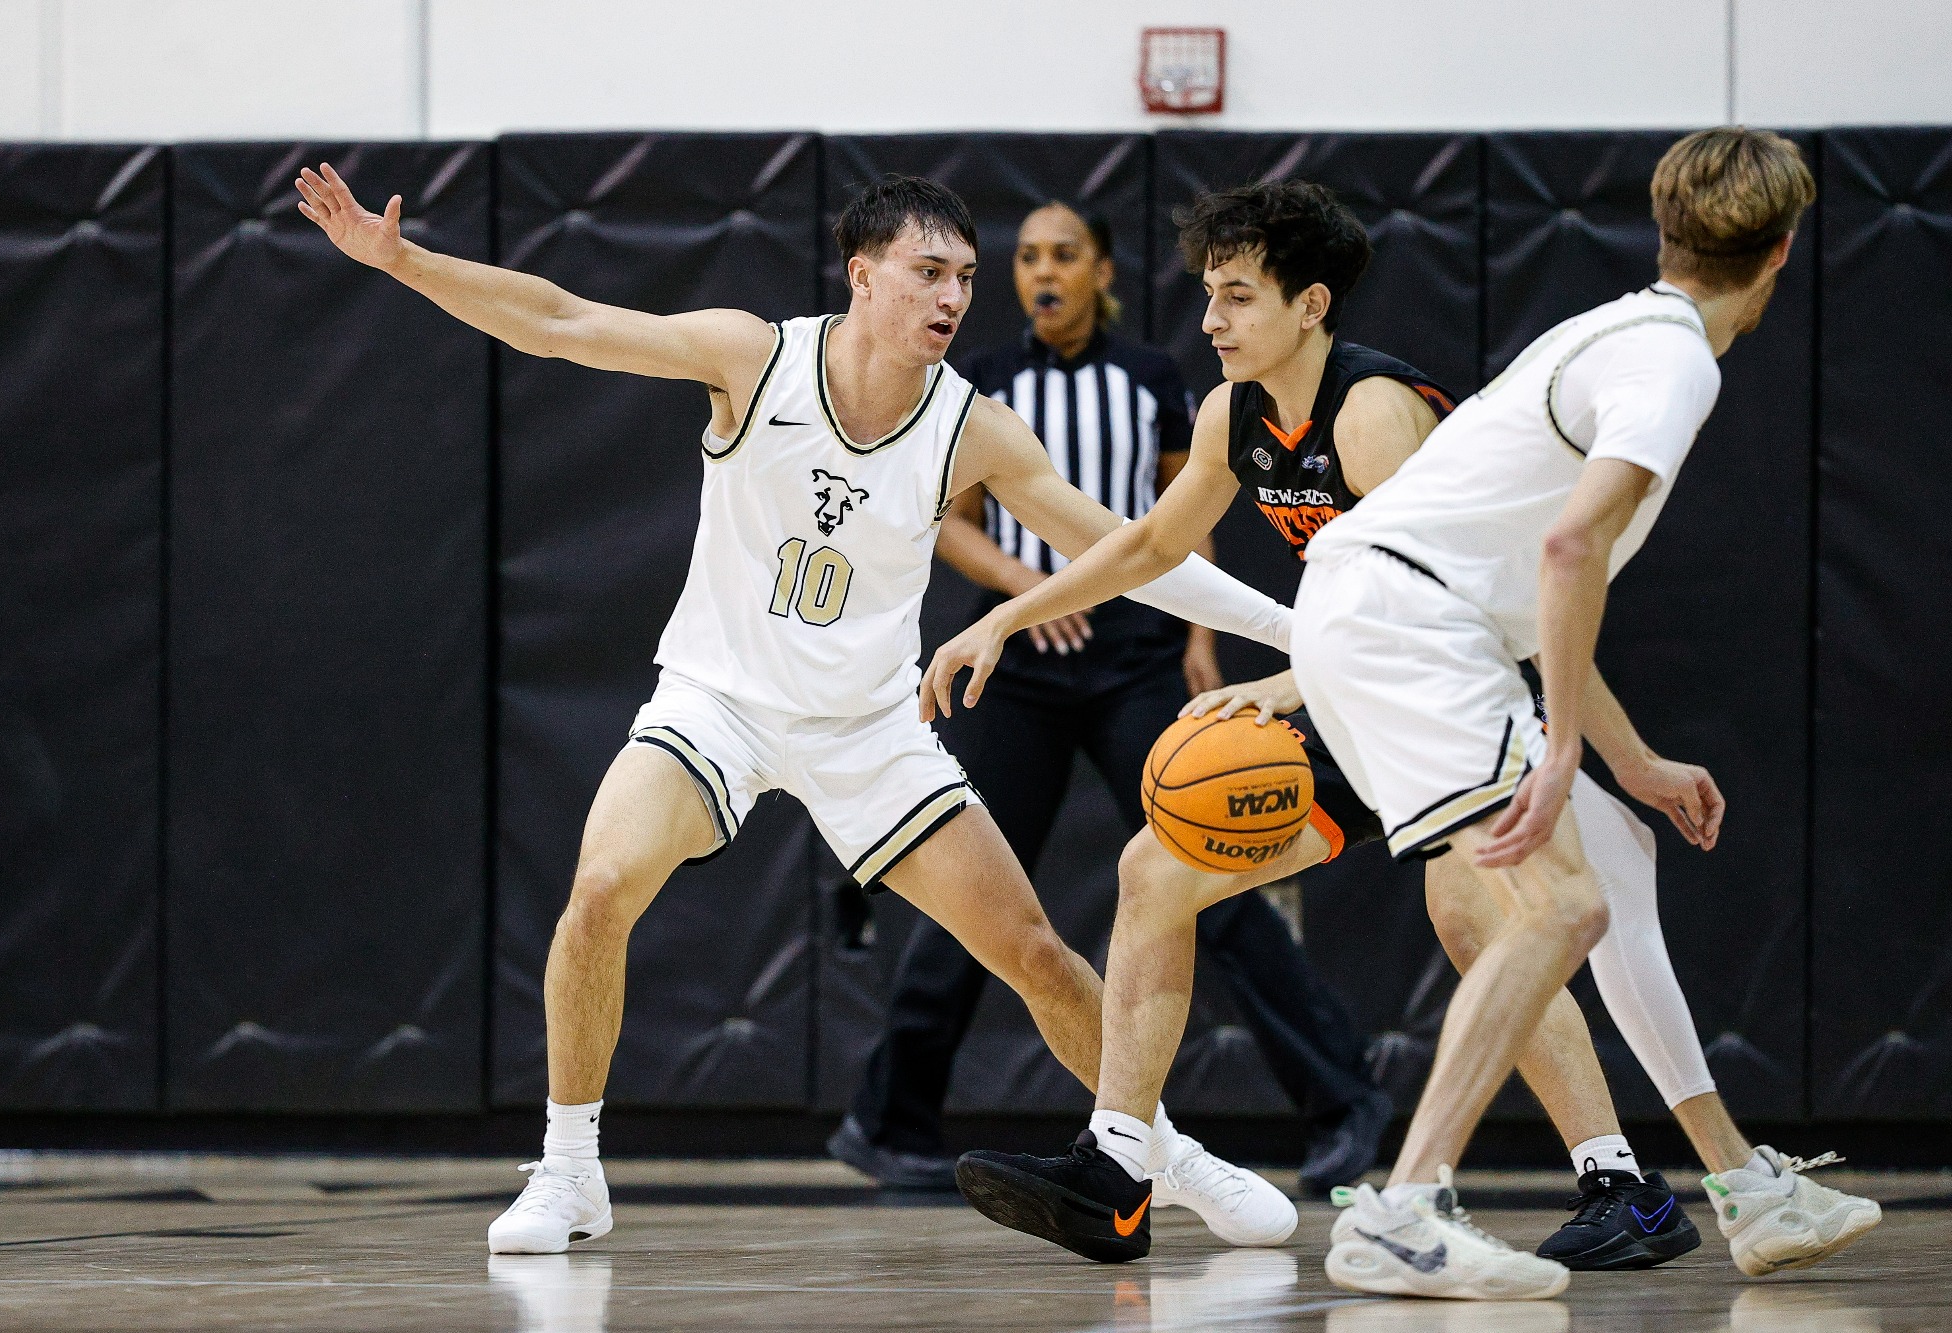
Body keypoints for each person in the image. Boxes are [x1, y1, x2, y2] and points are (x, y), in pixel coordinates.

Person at [926, 138, 1877, 1298]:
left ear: (1308, 303)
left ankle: (1614, 1183)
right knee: (1173, 874)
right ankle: (1136, 1165)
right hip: (1382, 669)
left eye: (1237, 295)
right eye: (1207, 294)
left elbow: (1473, 594)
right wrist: (1009, 614)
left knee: (1538, 904)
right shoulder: (1237, 415)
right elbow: (1151, 545)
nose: (1212, 321)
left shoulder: (1373, 412)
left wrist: (1583, 743)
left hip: (1405, 670)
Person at [295, 165, 1302, 1255]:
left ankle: (1160, 1153)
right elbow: (558, 320)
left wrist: (1298, 633)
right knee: (597, 891)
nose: (951, 296)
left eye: (963, 276)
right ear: (861, 276)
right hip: (716, 703)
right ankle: (571, 1169)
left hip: (868, 730)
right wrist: (402, 260)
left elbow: (1125, 550)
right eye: (927, 272)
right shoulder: (752, 354)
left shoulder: (976, 429)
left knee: (1035, 954)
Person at [828, 201, 1391, 1199]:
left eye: (1063, 256)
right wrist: (1013, 598)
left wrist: (1201, 641)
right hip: (1028, 662)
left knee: (1206, 856)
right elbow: (951, 522)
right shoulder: (980, 383)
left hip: (1133, 654)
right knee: (966, 884)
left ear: (1099, 270)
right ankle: (888, 1118)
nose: (1041, 273)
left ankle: (1343, 1099)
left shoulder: (1156, 378)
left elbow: (1173, 530)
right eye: (1028, 257)